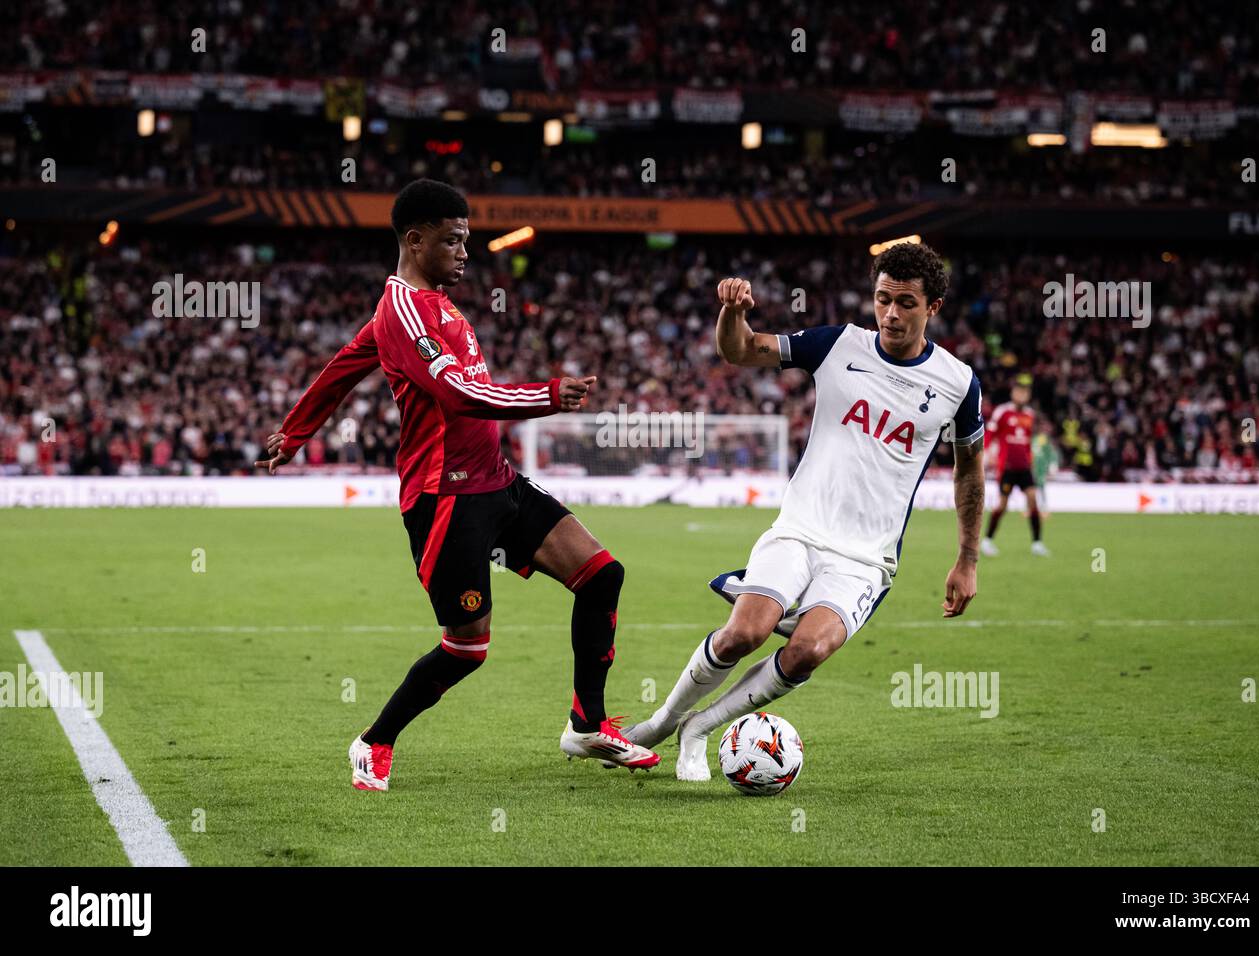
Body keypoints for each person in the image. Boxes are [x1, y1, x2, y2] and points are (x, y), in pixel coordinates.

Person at [256, 179, 659, 790]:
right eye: (453, 240)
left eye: (467, 239)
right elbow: (459, 393)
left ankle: (587, 722)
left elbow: (342, 367)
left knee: (602, 574)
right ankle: (373, 741)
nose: (466, 251)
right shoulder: (402, 311)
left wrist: (293, 432)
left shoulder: (435, 304)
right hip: (446, 498)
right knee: (468, 648)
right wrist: (544, 396)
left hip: (497, 483)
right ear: (415, 241)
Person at [623, 242, 986, 781]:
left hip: (866, 556)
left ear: (933, 306)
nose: (890, 313)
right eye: (883, 299)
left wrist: (967, 558)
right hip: (799, 529)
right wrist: (732, 312)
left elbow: (969, 472)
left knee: (809, 649)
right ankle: (660, 722)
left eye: (906, 302)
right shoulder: (838, 344)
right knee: (743, 634)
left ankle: (697, 728)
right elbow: (740, 351)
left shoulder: (958, 384)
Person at [981, 373, 1049, 556]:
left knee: (1033, 500)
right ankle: (987, 540)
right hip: (1007, 467)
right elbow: (990, 435)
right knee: (1002, 505)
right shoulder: (1002, 412)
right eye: (1019, 391)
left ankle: (1037, 543)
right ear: (1013, 393)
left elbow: (1027, 442)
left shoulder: (1029, 415)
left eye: (1025, 392)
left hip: (1024, 468)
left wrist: (1031, 461)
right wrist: (987, 454)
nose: (1022, 395)